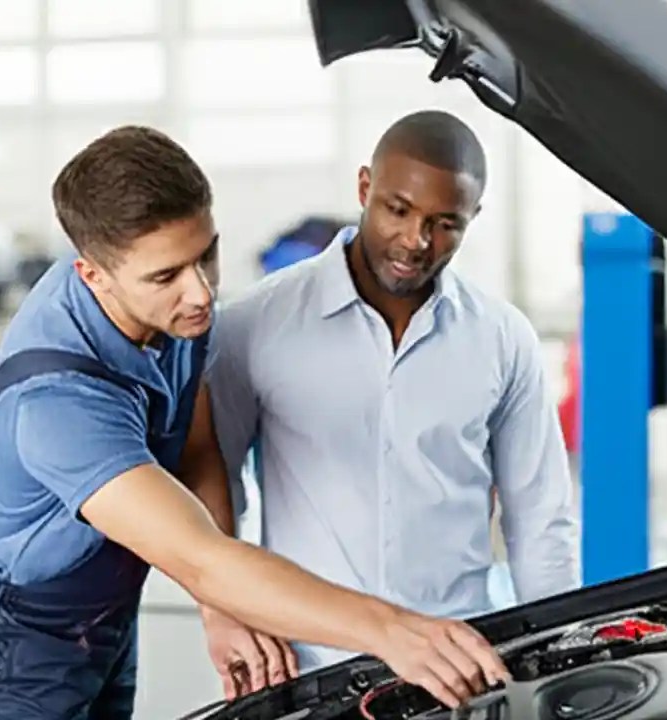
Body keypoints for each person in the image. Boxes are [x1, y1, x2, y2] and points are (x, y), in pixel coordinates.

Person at [0, 125, 510, 720]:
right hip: (10, 642)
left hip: (102, 619)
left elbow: (198, 447)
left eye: (206, 255)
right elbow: (201, 557)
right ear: (92, 275)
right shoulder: (54, 405)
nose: (200, 294)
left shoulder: (170, 312)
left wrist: (220, 608)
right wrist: (393, 633)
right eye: (166, 275)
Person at [207, 110, 582, 672]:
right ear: (365, 187)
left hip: (458, 662)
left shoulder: (503, 339)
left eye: (445, 223)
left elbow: (539, 518)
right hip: (309, 667)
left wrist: (561, 653)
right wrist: (224, 608)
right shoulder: (254, 324)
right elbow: (211, 473)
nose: (416, 241)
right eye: (398, 210)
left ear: (472, 218)